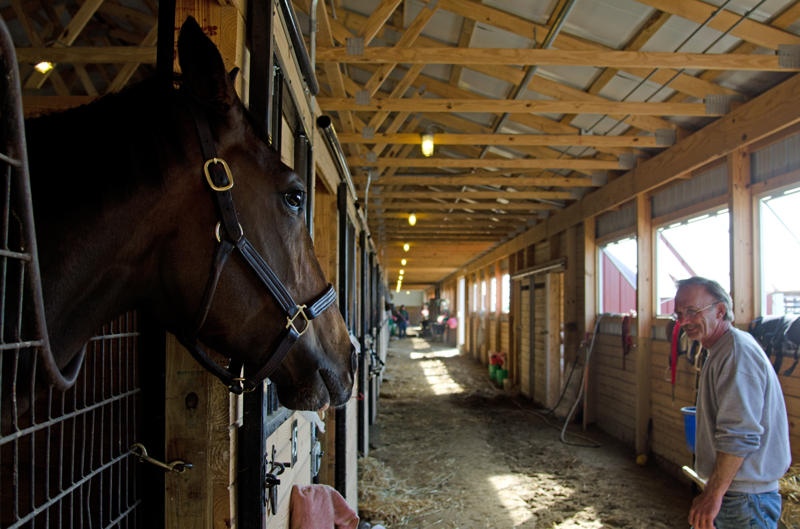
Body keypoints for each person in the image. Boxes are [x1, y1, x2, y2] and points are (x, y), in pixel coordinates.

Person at [674, 277, 790, 529]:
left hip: (744, 498)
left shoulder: (736, 354)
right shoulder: (720, 350)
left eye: (692, 311)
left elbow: (740, 434)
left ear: (720, 310)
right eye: (679, 314)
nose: (684, 321)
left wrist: (713, 495)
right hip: (737, 492)